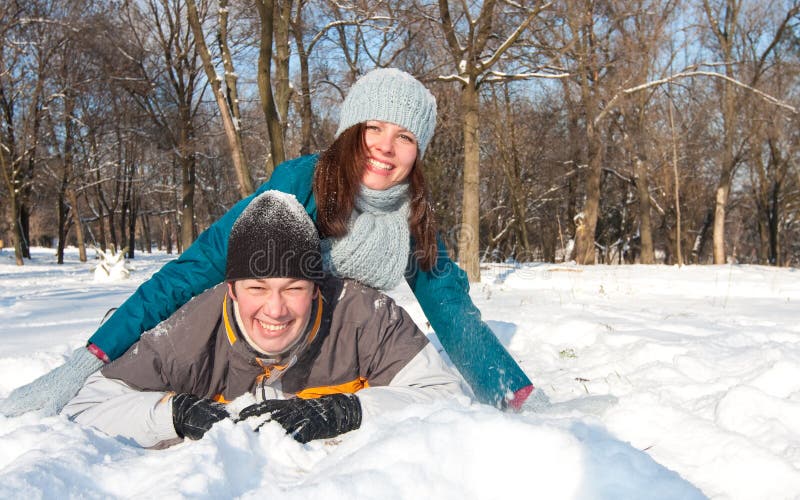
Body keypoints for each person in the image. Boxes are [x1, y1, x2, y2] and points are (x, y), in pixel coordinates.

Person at [0, 67, 539, 418]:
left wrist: (511, 392)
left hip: (331, 346)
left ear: (418, 151)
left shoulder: (413, 215)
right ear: (352, 130)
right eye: (375, 128)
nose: (385, 147)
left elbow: (451, 309)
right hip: (257, 331)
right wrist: (87, 360)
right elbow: (202, 264)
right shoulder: (302, 183)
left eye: (405, 137)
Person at [62, 191, 467, 448]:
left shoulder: (364, 316)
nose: (275, 310)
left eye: (293, 287)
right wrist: (175, 413)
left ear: (315, 286)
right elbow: (86, 409)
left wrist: (346, 411)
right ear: (232, 289)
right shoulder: (184, 335)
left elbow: (444, 394)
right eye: (257, 288)